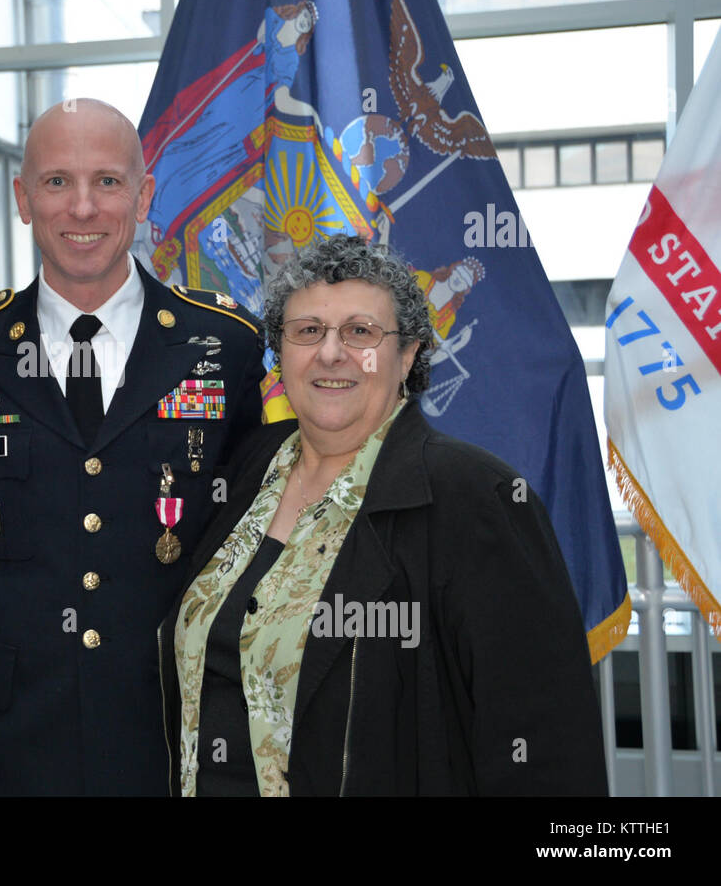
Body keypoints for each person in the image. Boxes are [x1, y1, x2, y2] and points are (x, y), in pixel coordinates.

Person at [160, 234, 607, 795]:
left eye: (360, 332)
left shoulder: (477, 500)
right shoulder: (245, 469)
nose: (330, 353)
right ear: (281, 353)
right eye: (307, 332)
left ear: (409, 355)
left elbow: (544, 750)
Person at [0, 99, 269, 795]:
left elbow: (258, 518)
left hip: (169, 724)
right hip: (5, 734)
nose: (83, 208)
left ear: (143, 198)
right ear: (22, 199)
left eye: (107, 182)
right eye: (56, 182)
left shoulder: (224, 345)